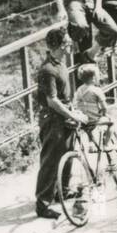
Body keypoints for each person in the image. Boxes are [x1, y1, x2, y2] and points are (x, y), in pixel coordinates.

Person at [34, 27, 88, 220]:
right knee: (51, 160)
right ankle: (43, 204)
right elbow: (52, 101)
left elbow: (65, 96)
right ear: (56, 46)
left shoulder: (62, 64)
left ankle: (62, 192)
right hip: (52, 120)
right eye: (66, 44)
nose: (69, 47)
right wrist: (72, 116)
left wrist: (73, 112)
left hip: (64, 116)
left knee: (67, 154)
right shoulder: (47, 70)